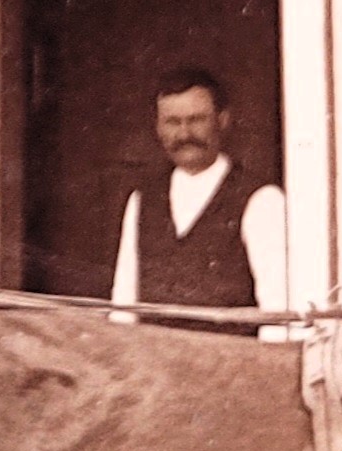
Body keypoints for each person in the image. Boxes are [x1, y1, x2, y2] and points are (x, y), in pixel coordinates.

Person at [107, 66, 290, 333]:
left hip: (230, 358)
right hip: (154, 357)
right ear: (158, 127)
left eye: (196, 120)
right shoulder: (142, 199)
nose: (184, 134)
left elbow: (277, 314)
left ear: (222, 120)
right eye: (172, 122)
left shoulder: (262, 200)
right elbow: (124, 306)